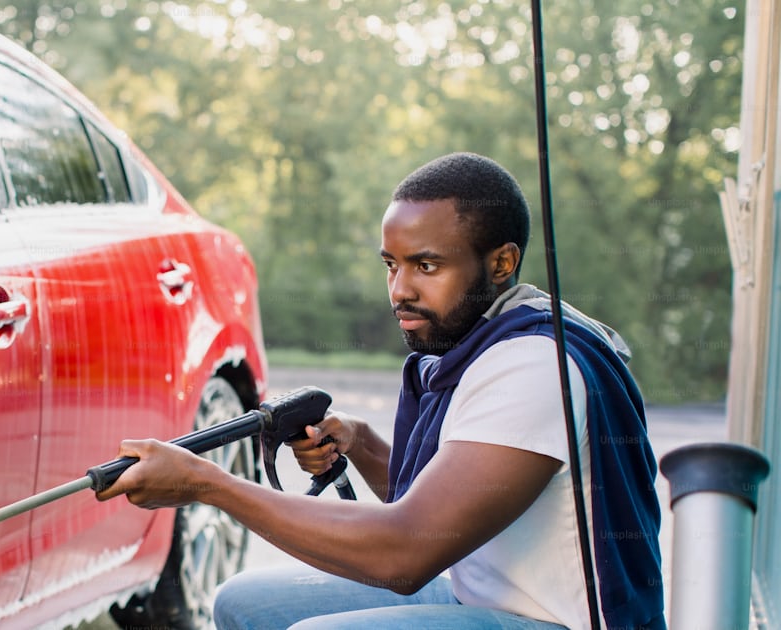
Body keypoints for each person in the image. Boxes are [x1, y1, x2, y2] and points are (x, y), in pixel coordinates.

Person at [95, 152, 664, 629]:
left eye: (427, 265)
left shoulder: (532, 366)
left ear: (501, 263)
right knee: (246, 605)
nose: (400, 290)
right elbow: (447, 506)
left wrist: (207, 483)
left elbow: (406, 552)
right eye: (391, 265)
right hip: (485, 597)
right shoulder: (492, 336)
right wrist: (361, 443)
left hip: (550, 621)